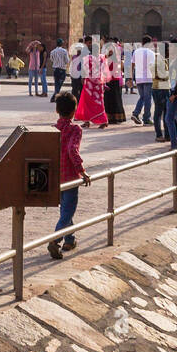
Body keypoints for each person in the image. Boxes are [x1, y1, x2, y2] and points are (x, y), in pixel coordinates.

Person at [48, 92, 90, 260]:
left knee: (65, 211)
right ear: (74, 111)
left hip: (55, 177)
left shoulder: (53, 130)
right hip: (70, 178)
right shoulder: (75, 129)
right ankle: (55, 240)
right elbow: (72, 150)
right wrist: (82, 171)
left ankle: (70, 239)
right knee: (67, 212)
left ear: (57, 111)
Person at [74, 45, 108, 129]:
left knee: (87, 102)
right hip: (98, 84)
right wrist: (104, 82)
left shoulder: (88, 58)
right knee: (99, 102)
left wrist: (83, 78)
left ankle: (87, 121)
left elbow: (85, 70)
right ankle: (103, 121)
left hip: (89, 84)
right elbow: (105, 71)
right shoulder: (102, 58)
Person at [130, 35, 155, 126]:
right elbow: (153, 66)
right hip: (148, 78)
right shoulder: (151, 53)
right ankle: (145, 118)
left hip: (139, 78)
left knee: (143, 97)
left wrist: (130, 78)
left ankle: (136, 114)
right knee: (147, 99)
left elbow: (132, 65)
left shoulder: (136, 52)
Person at [102, 41, 126, 124]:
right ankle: (108, 117)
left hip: (115, 82)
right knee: (108, 99)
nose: (110, 51)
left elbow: (122, 69)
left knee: (116, 99)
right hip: (108, 81)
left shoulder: (118, 59)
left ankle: (117, 118)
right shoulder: (106, 58)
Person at [151, 40, 170, 144]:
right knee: (158, 112)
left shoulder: (164, 59)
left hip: (165, 88)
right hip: (159, 89)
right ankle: (159, 134)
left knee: (167, 112)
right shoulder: (158, 60)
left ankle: (167, 134)